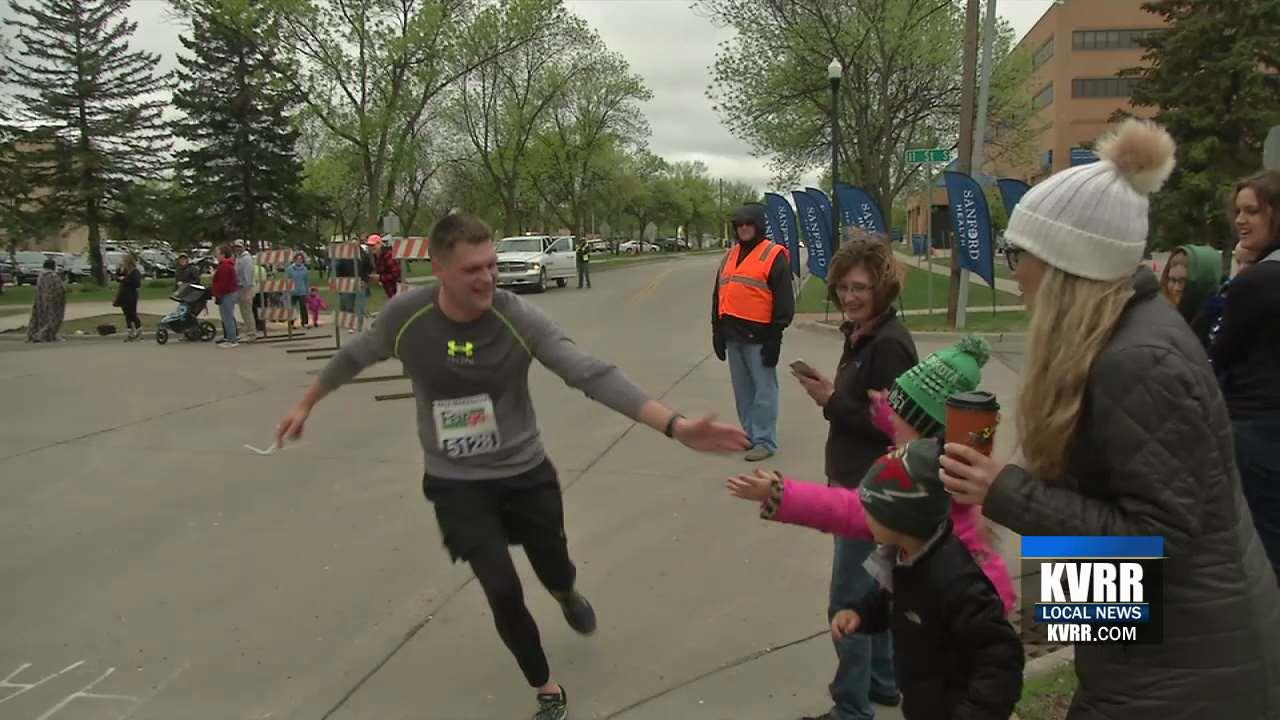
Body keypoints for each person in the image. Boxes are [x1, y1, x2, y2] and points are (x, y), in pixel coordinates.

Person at [275, 213, 750, 720]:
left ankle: (565, 593)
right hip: (455, 481)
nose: (487, 279)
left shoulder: (516, 316)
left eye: (491, 265)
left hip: (524, 472)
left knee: (554, 567)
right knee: (501, 589)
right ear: (439, 269)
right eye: (471, 270)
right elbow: (352, 357)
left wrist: (675, 426)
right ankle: (546, 688)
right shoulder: (407, 317)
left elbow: (589, 373)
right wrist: (305, 405)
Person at [938, 119, 1280, 719]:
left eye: (1018, 255)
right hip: (1147, 650)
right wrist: (1063, 615)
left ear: (1065, 265)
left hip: (1188, 671)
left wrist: (1003, 491)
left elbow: (1160, 542)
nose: (1014, 274)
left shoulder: (1137, 360)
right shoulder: (1118, 336)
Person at [727, 336, 1016, 617]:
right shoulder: (933, 462)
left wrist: (782, 494)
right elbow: (910, 423)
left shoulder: (916, 487)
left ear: (922, 431)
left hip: (940, 635)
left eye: (897, 415)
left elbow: (852, 509)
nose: (892, 419)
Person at [779, 234, 917, 720]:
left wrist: (832, 401)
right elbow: (863, 406)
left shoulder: (890, 344)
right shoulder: (862, 334)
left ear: (882, 288)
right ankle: (883, 684)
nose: (849, 296)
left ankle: (852, 709)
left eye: (859, 287)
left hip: (870, 490)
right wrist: (835, 395)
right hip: (857, 482)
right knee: (874, 590)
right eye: (842, 287)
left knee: (848, 601)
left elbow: (897, 425)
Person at [1211, 170, 1280, 581]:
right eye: (1238, 211)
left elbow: (1219, 349)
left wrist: (1238, 275)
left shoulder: (1259, 280)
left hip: (1254, 426)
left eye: (1252, 211)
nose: (1240, 220)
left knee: (1261, 544)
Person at [711, 203, 795, 462]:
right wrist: (716, 331)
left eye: (749, 223)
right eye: (739, 224)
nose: (744, 228)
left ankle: (764, 441)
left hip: (760, 339)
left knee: (764, 391)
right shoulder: (730, 255)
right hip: (732, 336)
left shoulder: (773, 254)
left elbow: (784, 301)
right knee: (743, 392)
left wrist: (775, 338)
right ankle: (749, 435)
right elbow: (718, 295)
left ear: (758, 225)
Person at [26, 258, 66, 343]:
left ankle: (32, 334)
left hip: (40, 300)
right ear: (53, 266)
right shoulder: (53, 276)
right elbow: (59, 289)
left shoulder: (41, 275)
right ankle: (42, 335)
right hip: (52, 301)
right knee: (53, 319)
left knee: (39, 318)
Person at [211, 246, 240, 348]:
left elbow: (223, 283)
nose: (216, 256)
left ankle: (232, 339)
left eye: (217, 253)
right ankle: (230, 337)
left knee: (227, 317)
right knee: (228, 316)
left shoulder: (225, 266)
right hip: (228, 293)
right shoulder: (225, 265)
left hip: (226, 294)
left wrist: (217, 293)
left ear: (223, 254)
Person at [114, 254, 143, 342]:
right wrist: (119, 270)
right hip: (123, 295)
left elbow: (137, 284)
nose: (123, 263)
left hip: (131, 295)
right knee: (127, 315)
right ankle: (130, 333)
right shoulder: (125, 271)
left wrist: (124, 280)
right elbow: (117, 277)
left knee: (132, 314)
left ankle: (139, 332)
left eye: (124, 261)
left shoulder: (135, 271)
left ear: (129, 262)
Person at [233, 239, 256, 342]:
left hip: (246, 288)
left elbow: (248, 275)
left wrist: (247, 289)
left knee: (247, 311)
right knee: (243, 311)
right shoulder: (238, 258)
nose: (237, 249)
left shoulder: (246, 259)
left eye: (239, 247)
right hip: (240, 287)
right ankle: (248, 331)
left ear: (244, 247)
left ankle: (252, 334)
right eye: (236, 247)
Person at [286, 253, 311, 329]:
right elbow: (287, 279)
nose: (299, 260)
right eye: (298, 259)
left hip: (302, 291)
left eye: (301, 259)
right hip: (292, 291)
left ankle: (305, 322)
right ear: (294, 259)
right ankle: (291, 323)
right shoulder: (290, 269)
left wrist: (307, 292)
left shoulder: (305, 269)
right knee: (292, 307)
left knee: (303, 307)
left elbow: (306, 281)